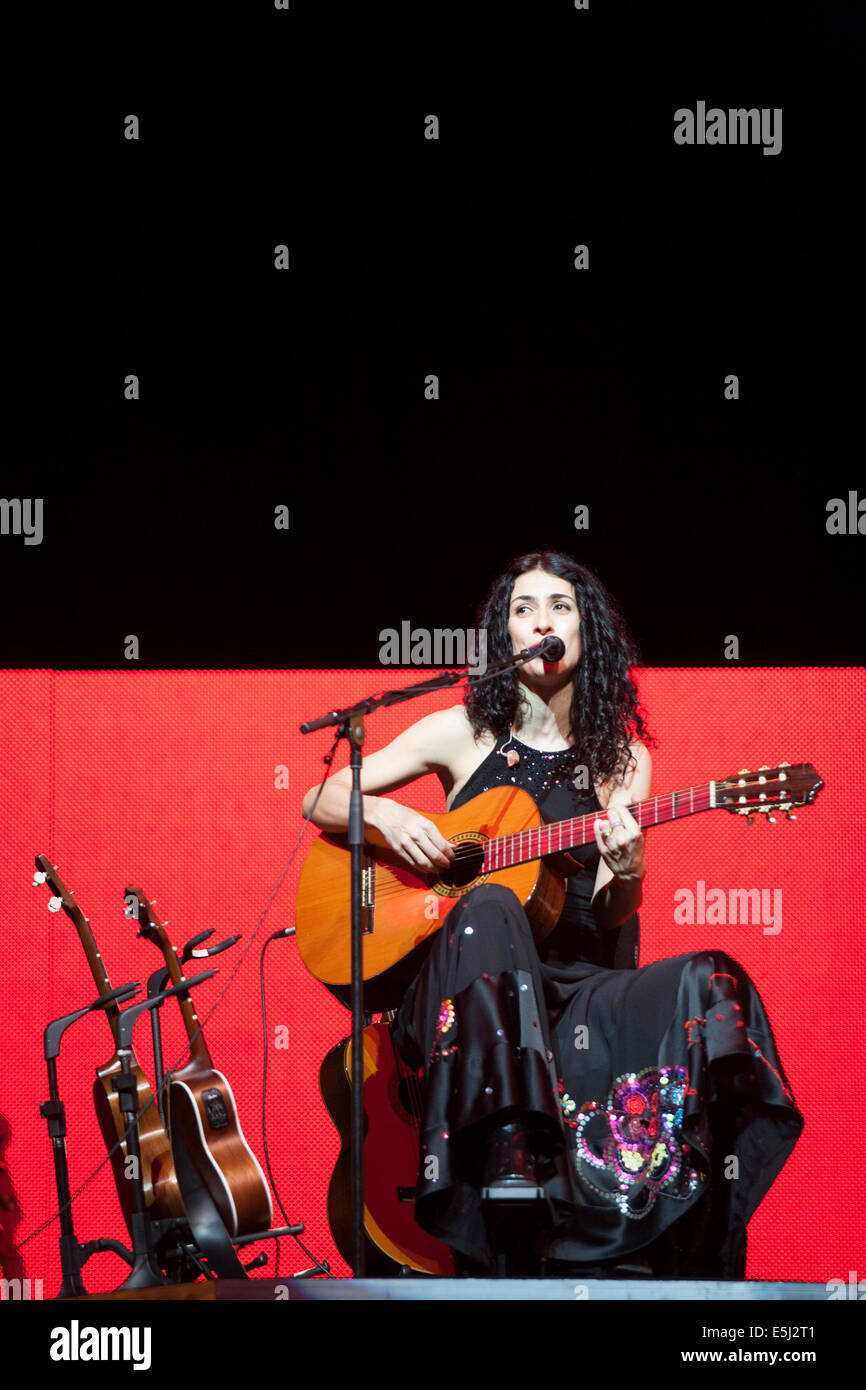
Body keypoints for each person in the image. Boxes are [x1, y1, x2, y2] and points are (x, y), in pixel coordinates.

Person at [301, 550, 804, 1277]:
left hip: (571, 988)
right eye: (523, 608)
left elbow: (609, 914)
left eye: (560, 606)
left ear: (586, 630)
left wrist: (628, 869)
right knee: (493, 905)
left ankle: (690, 1239)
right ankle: (508, 1157)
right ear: (504, 636)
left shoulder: (620, 761)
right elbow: (318, 799)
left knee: (710, 980)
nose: (542, 620)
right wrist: (380, 816)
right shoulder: (461, 732)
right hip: (462, 991)